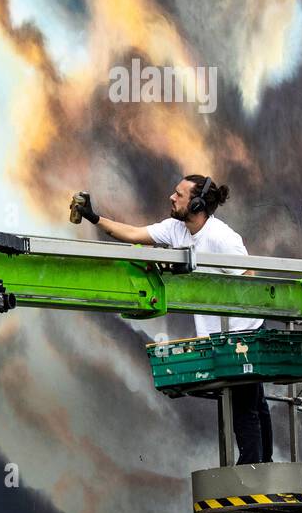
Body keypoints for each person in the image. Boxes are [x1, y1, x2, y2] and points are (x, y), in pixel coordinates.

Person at [70, 175, 273, 465]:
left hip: (243, 333)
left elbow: (250, 278)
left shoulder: (220, 238)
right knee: (253, 401)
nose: (171, 197)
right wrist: (93, 216)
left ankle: (253, 467)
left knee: (243, 404)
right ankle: (261, 464)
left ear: (198, 204)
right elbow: (132, 234)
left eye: (179, 194)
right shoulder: (176, 229)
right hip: (222, 336)